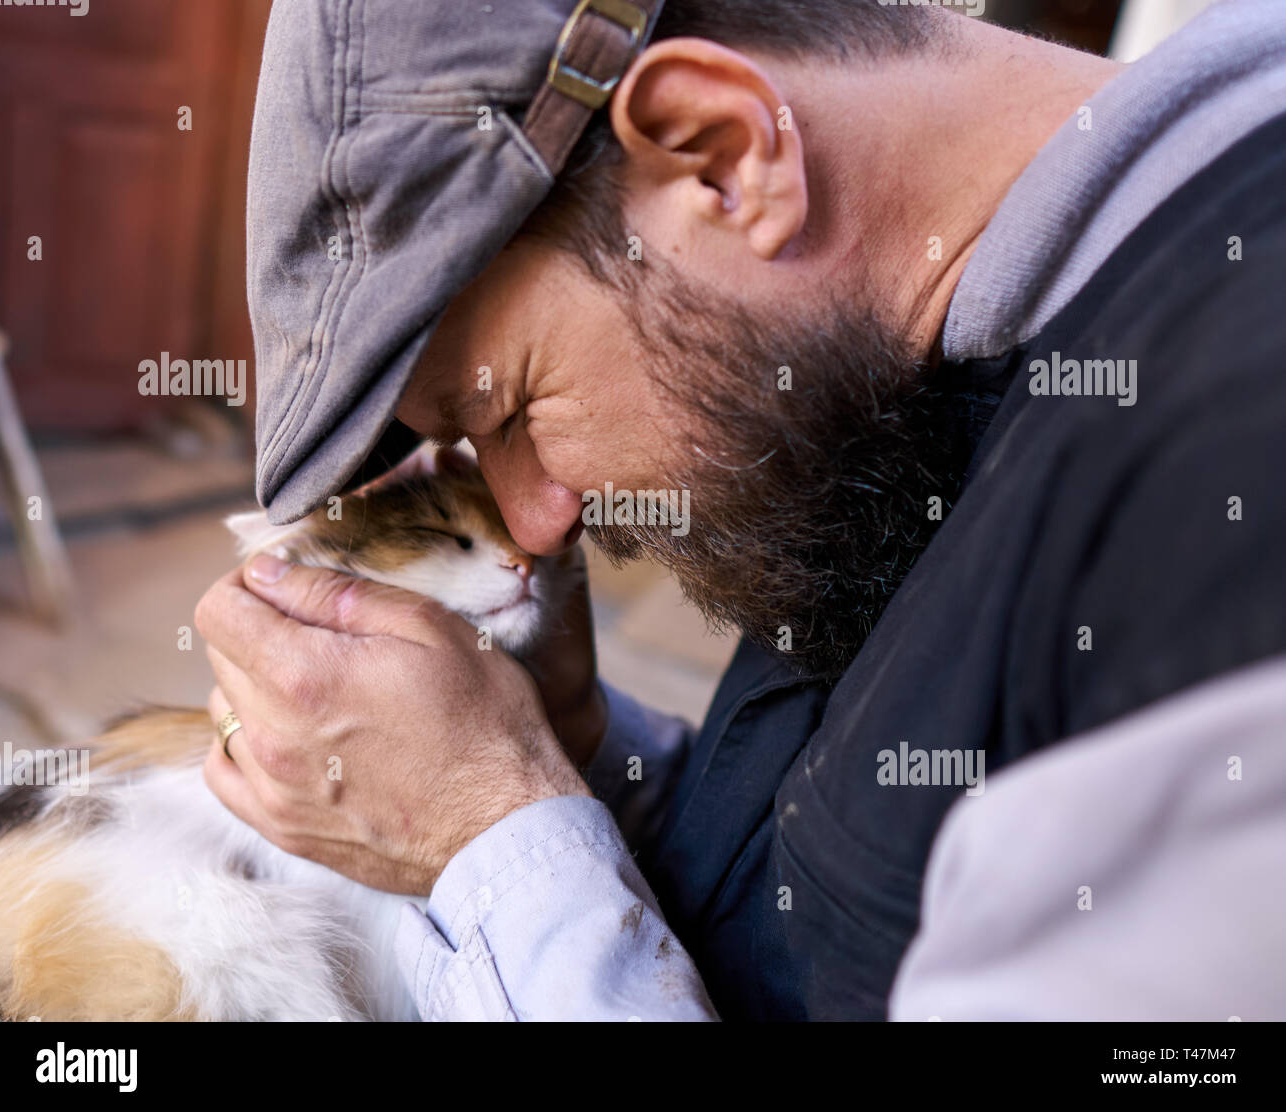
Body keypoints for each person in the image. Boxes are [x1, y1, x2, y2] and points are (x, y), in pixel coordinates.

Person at [194, 0, 1286, 1020]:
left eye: (510, 408)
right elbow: (846, 873)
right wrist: (571, 742)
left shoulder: (1221, 490)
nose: (534, 520)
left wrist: (490, 834)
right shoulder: (893, 380)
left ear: (718, 156)